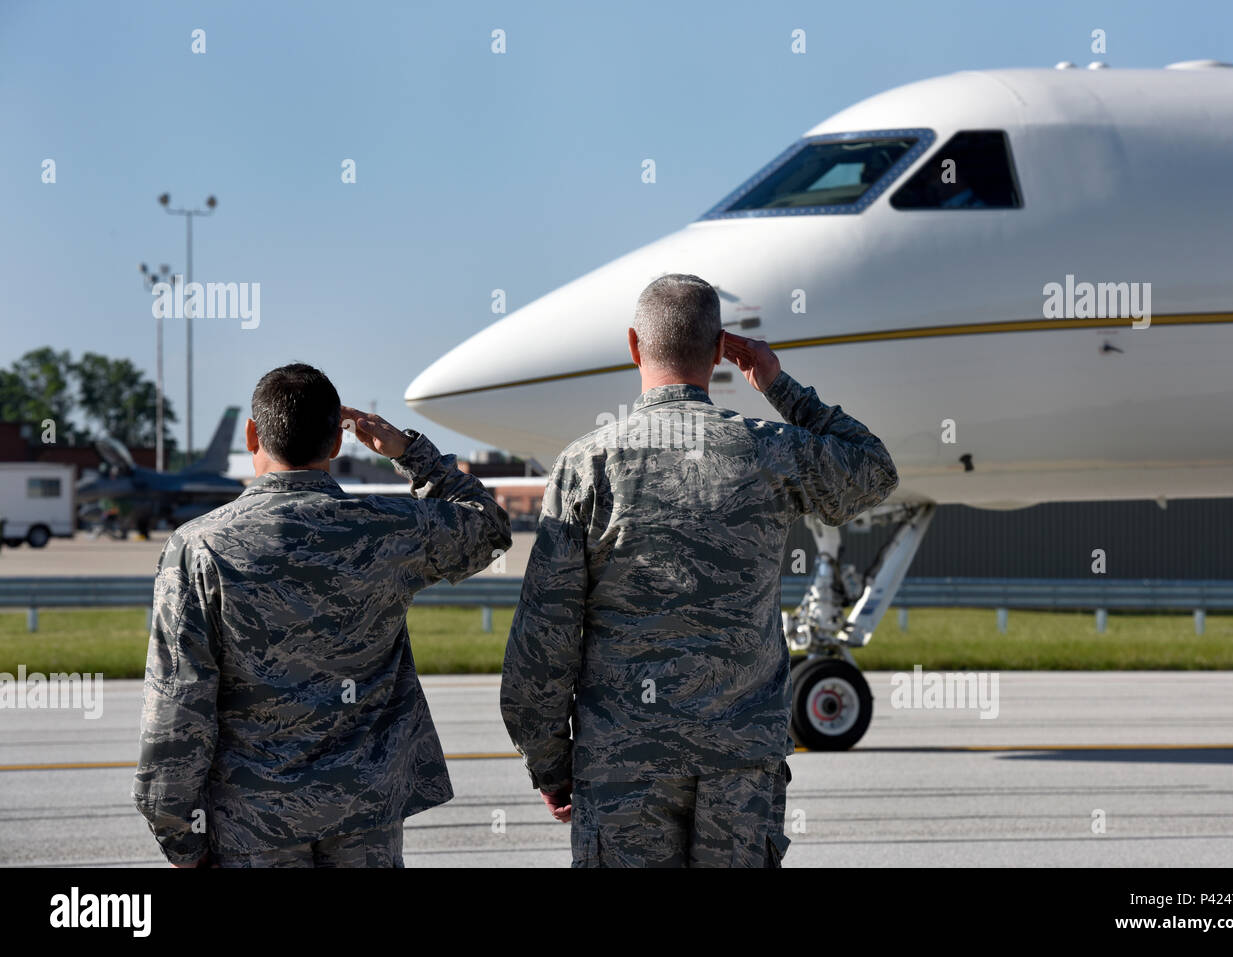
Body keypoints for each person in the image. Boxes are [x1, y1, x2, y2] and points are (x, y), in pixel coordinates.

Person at [500, 273, 898, 867]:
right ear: (720, 353)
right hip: (739, 764)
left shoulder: (587, 465)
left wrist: (551, 763)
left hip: (623, 761)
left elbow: (543, 638)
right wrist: (779, 385)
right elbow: (874, 468)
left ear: (635, 346)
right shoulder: (771, 450)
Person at [133, 363, 510, 867]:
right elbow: (488, 527)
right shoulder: (387, 530)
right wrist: (409, 453)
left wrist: (179, 834)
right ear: (337, 443)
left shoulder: (200, 547)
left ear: (252, 434)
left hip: (251, 824)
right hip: (365, 814)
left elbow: (178, 707)